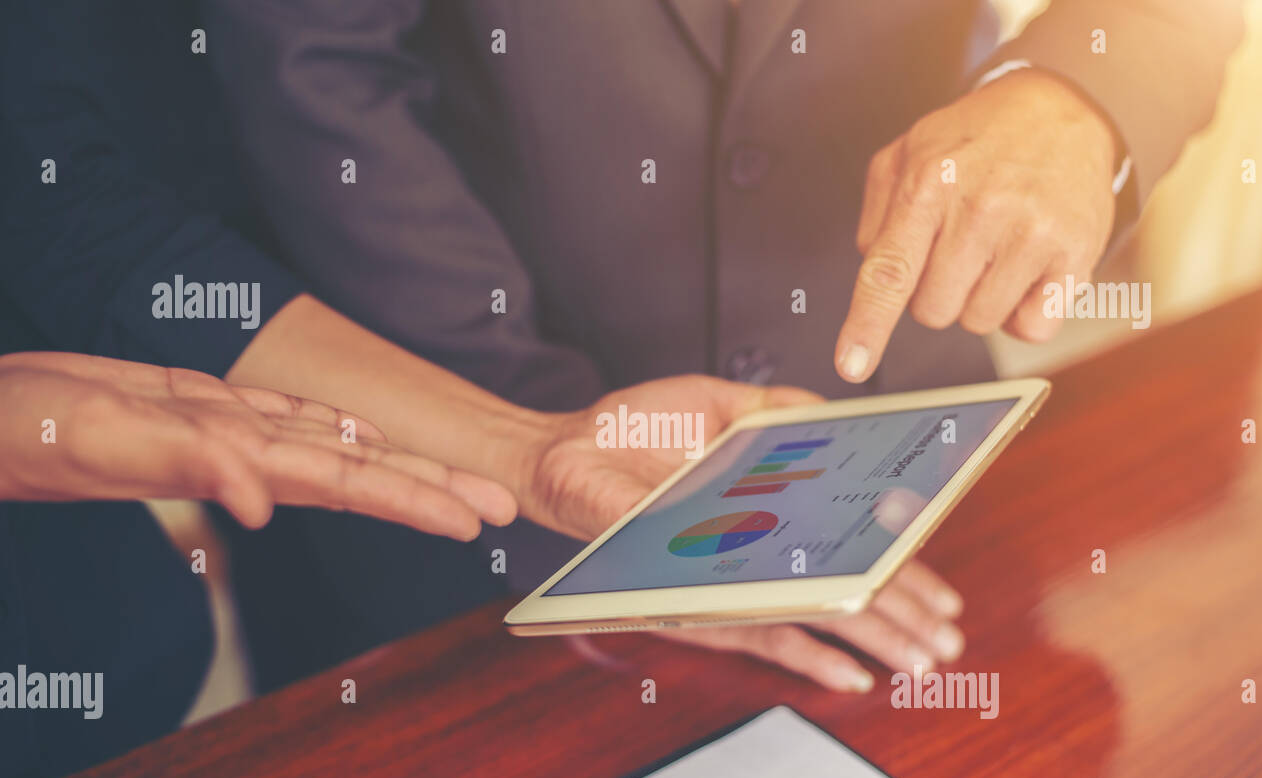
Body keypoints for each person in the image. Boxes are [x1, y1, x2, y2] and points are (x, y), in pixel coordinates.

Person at [198, 0, 1243, 673]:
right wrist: (524, 443)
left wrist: (1077, 94)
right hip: (447, 496)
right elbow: (310, 62)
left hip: (898, 456)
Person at [1, 0, 970, 706]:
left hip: (103, 662)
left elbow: (68, 196)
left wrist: (527, 451)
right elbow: (301, 77)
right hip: (302, 586)